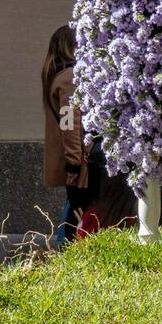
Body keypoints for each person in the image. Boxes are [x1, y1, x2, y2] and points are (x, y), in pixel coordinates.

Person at [41, 25, 101, 245]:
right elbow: (70, 121)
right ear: (74, 46)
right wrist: (75, 162)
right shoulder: (70, 77)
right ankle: (67, 256)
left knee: (75, 214)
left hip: (75, 160)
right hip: (80, 163)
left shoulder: (56, 74)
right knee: (80, 219)